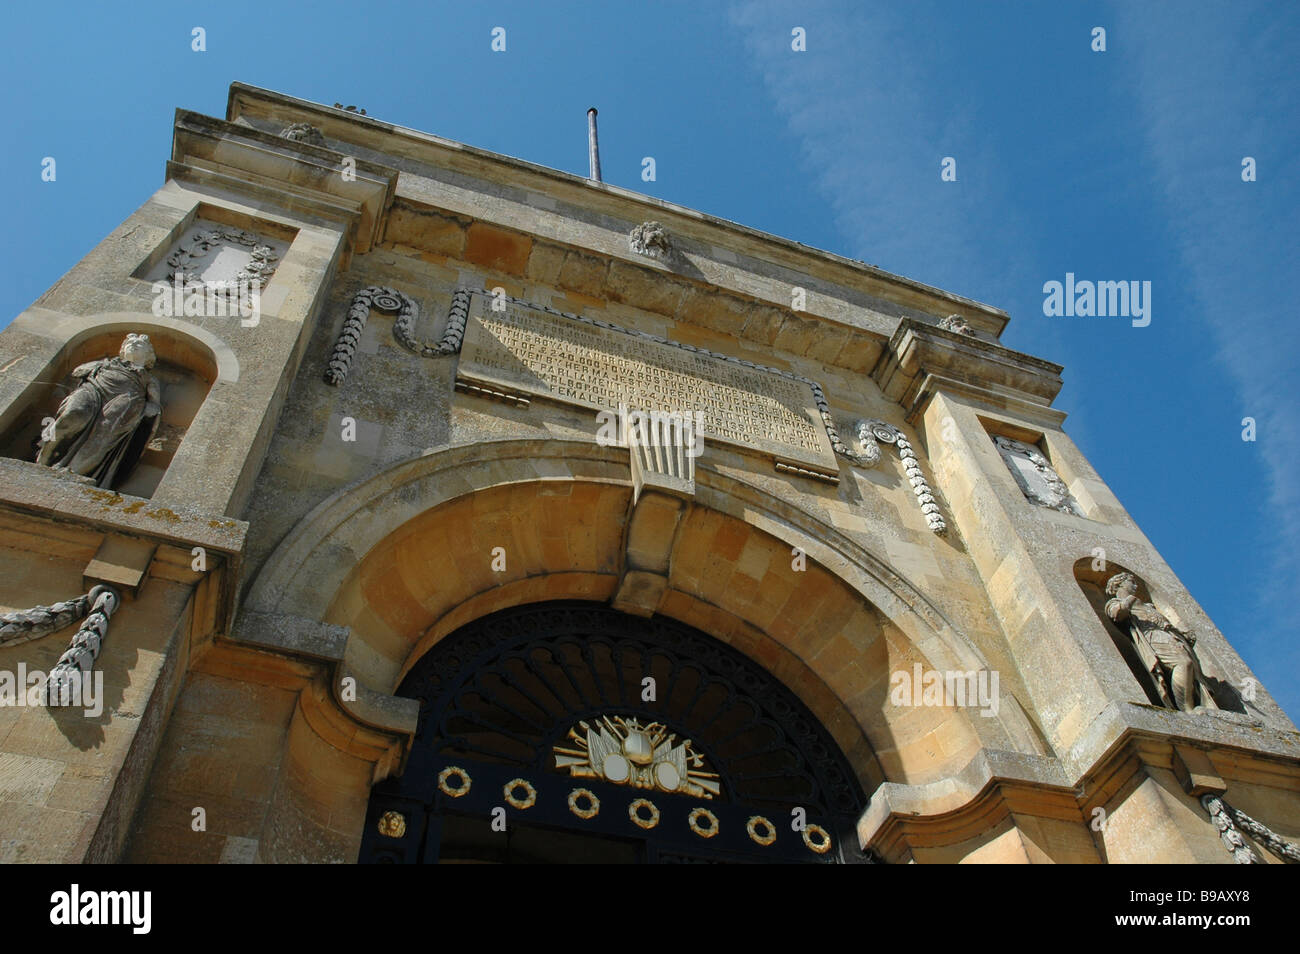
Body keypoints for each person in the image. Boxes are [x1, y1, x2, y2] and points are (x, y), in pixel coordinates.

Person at [36, 333, 162, 489]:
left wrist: (149, 409)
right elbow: (77, 372)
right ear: (122, 349)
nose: (133, 345)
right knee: (73, 415)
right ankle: (44, 460)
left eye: (139, 344)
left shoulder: (149, 379)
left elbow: (155, 404)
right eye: (129, 343)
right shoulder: (104, 364)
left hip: (125, 400)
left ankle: (74, 473)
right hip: (95, 389)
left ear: (149, 355)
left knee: (102, 436)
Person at [1105, 571, 1218, 711]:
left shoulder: (1148, 605)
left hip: (1169, 635)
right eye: (1131, 582)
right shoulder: (1114, 602)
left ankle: (1198, 706)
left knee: (1192, 668)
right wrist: (1129, 600)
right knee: (1184, 663)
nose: (1135, 585)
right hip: (1151, 636)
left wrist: (1183, 635)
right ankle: (1186, 708)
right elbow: (1117, 614)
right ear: (1119, 584)